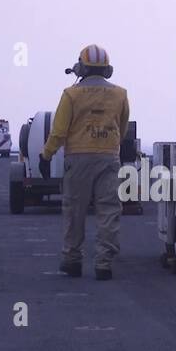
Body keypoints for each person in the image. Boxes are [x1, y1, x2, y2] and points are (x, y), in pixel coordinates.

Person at [39, 45, 130, 281]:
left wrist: (46, 155)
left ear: (81, 68)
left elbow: (59, 132)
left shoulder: (71, 94)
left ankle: (72, 260)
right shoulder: (120, 94)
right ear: (107, 70)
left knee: (74, 211)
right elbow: (123, 127)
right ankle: (104, 264)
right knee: (109, 210)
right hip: (109, 156)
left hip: (78, 158)